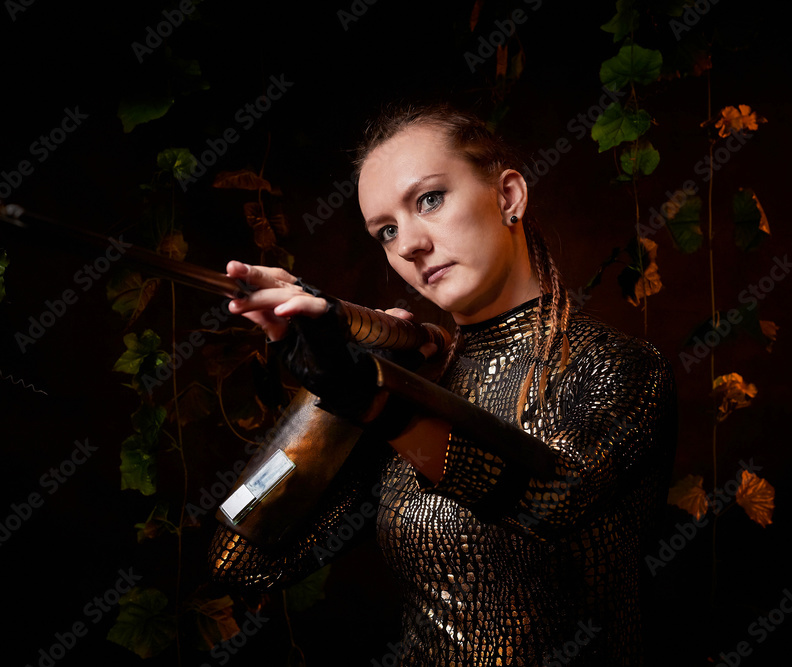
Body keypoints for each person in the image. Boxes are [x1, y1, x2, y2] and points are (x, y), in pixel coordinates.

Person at [207, 101, 678, 666]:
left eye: (428, 199)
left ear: (508, 197)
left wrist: (378, 402)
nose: (408, 244)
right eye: (385, 230)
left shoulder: (620, 367)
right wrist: (325, 397)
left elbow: (549, 504)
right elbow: (242, 557)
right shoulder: (415, 385)